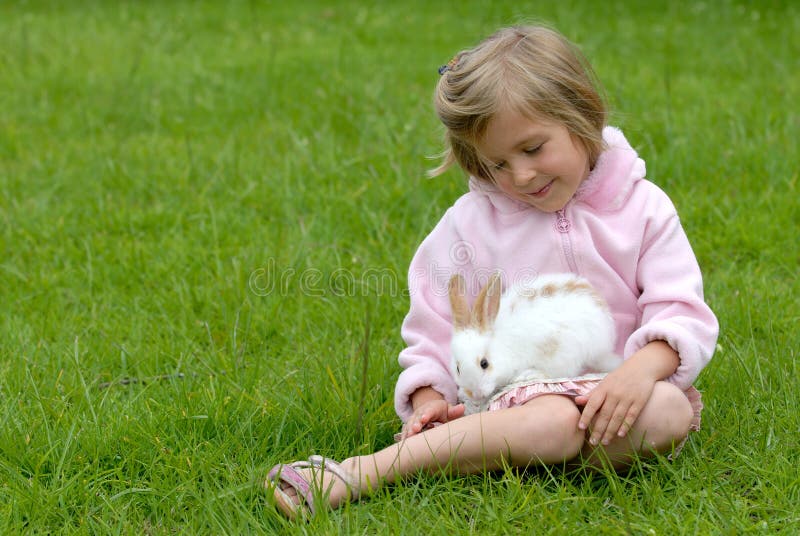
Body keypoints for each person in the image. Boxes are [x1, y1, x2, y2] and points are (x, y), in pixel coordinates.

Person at [266, 24, 718, 519]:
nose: (521, 176)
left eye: (533, 148)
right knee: (551, 422)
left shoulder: (642, 208)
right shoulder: (470, 225)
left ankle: (503, 452)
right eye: (497, 165)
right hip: (515, 397)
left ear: (582, 116)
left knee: (669, 411)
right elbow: (437, 327)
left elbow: (680, 311)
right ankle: (365, 471)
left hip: (617, 388)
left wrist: (639, 372)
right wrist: (429, 398)